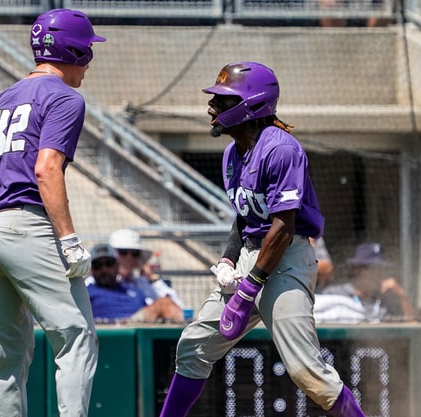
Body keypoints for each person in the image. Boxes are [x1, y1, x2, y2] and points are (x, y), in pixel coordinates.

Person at [159, 62, 365, 417]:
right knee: (193, 347)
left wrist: (249, 287)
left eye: (223, 102)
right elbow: (246, 215)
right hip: (251, 257)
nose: (212, 108)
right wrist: (228, 258)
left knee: (306, 371)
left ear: (251, 107)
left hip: (285, 258)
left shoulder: (281, 149)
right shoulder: (231, 155)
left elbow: (283, 227)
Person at [0, 8, 104, 417]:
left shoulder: (0, 100)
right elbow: (46, 169)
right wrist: (68, 239)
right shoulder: (65, 97)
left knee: (8, 351)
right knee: (76, 335)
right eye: (87, 51)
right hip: (25, 227)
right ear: (75, 51)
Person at [315, 242, 415, 323]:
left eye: (382, 270)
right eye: (374, 269)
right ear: (358, 270)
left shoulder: (383, 302)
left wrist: (402, 295)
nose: (380, 275)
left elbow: (412, 327)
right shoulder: (335, 294)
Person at [87, 243, 183, 323]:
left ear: (117, 266)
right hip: (109, 327)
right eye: (98, 265)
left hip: (138, 326)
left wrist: (151, 277)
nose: (104, 269)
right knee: (163, 303)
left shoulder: (134, 289)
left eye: (109, 263)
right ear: (91, 269)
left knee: (165, 305)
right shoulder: (86, 291)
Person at [109, 228, 184, 308]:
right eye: (123, 252)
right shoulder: (102, 281)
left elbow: (178, 306)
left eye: (135, 253)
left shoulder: (143, 284)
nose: (129, 258)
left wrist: (151, 277)